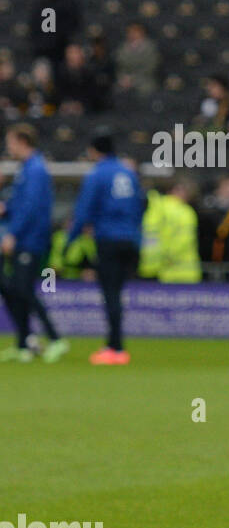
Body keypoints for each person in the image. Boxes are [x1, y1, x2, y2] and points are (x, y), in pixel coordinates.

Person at [64, 134, 145, 364]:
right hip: (129, 239)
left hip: (108, 239)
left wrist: (70, 239)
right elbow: (139, 206)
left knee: (110, 294)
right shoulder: (128, 172)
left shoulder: (97, 173)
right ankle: (115, 344)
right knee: (117, 293)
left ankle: (115, 348)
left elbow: (83, 210)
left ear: (94, 151)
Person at [0, 124, 67, 362]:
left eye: (10, 142)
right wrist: (6, 208)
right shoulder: (27, 168)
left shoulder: (35, 169)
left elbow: (30, 208)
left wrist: (12, 234)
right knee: (15, 290)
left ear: (21, 141)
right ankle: (23, 343)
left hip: (31, 239)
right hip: (25, 238)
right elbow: (21, 204)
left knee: (23, 290)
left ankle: (56, 339)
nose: (8, 147)